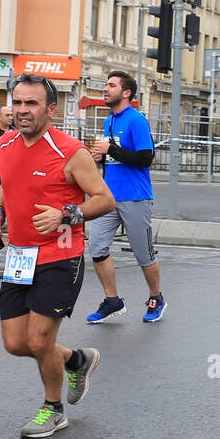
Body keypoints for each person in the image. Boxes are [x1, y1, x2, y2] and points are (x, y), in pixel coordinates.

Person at [0, 75, 115, 438]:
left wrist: (66, 214)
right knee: (16, 343)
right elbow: (5, 186)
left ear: (50, 109)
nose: (22, 111)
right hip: (20, 255)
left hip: (61, 254)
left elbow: (105, 200)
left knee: (40, 340)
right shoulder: (7, 142)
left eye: (32, 104)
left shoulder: (70, 151)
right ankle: (77, 359)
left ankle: (53, 409)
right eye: (18, 103)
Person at [83, 71, 166, 324]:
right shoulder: (110, 120)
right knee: (96, 246)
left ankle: (156, 297)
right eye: (106, 85)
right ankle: (112, 300)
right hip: (108, 197)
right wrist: (102, 157)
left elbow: (145, 158)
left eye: (111, 85)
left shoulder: (136, 120)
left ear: (126, 92)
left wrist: (112, 150)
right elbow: (116, 158)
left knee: (143, 253)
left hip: (136, 197)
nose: (105, 89)